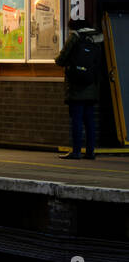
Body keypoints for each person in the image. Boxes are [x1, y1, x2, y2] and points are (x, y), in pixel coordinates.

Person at [55, 18, 104, 160]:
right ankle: (90, 152)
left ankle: (76, 151)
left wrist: (60, 61)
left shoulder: (75, 37)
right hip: (92, 86)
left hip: (76, 86)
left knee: (76, 120)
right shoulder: (97, 38)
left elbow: (62, 59)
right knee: (89, 120)